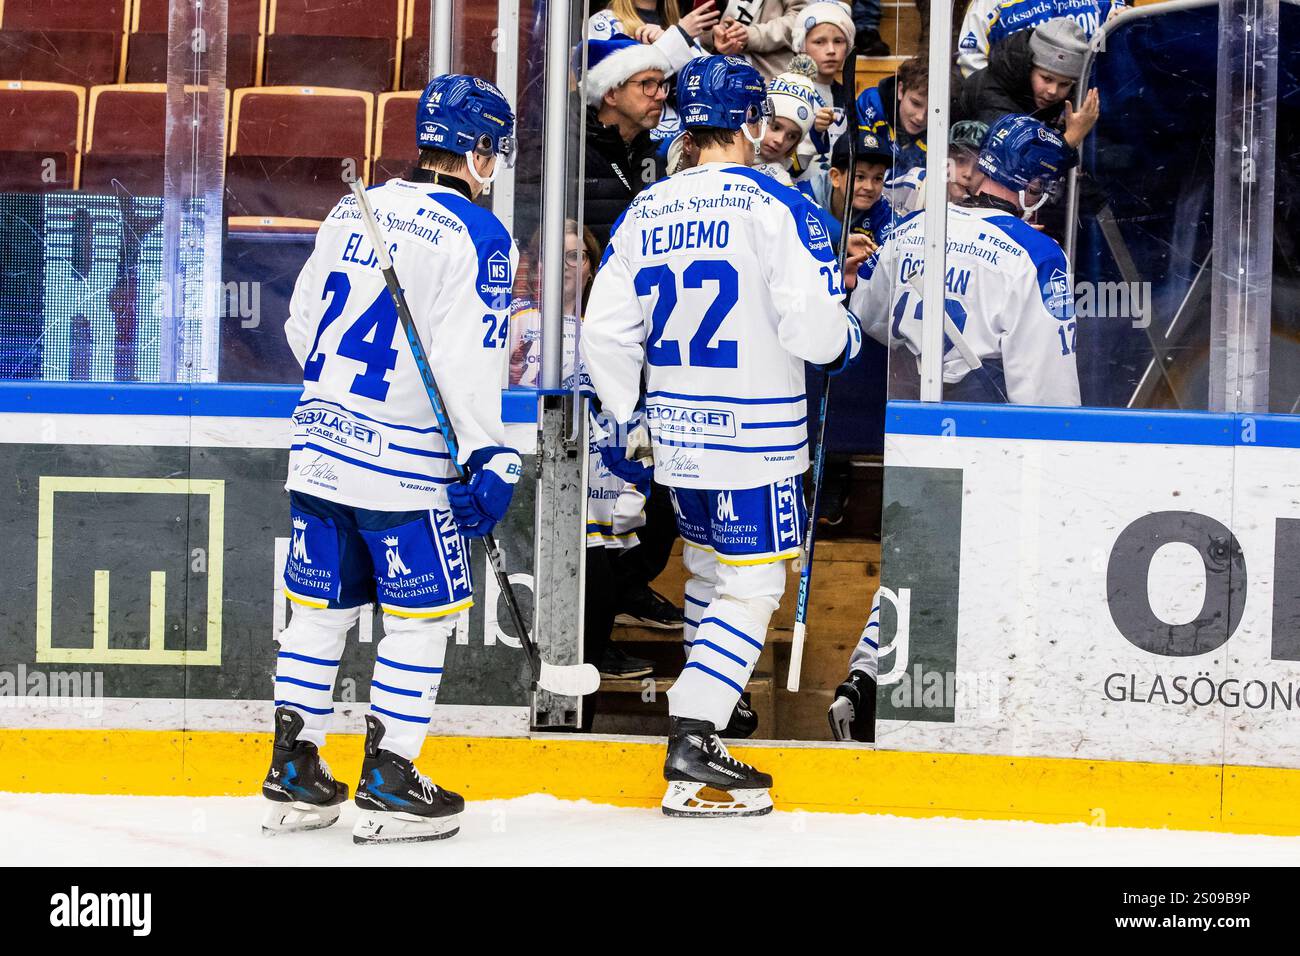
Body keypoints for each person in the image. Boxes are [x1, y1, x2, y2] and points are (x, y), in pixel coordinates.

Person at [581, 55, 862, 815]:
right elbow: (814, 331)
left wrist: (628, 416)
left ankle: (711, 725)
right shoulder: (778, 208)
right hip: (756, 440)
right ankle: (695, 733)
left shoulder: (646, 209)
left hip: (675, 437)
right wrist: (846, 339)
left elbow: (603, 335)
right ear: (748, 122)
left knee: (709, 575)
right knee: (753, 584)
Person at [262, 75, 523, 843]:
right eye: (495, 151)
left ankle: (293, 770)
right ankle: (389, 775)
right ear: (476, 150)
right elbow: (466, 364)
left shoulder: (355, 207)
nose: (495, 165)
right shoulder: (479, 235)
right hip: (403, 467)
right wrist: (490, 455)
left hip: (317, 447)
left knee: (318, 611)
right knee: (417, 621)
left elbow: (300, 325)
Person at [829, 113, 1080, 743]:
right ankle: (958, 704)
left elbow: (868, 318)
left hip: (911, 416)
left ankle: (866, 677)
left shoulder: (913, 228)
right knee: (986, 563)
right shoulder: (1037, 253)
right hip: (987, 424)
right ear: (1036, 186)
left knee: (916, 552)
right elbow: (1044, 386)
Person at [507, 221, 658, 684]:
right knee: (580, 581)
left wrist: (635, 466)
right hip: (537, 476)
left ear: (592, 268)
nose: (566, 267)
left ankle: (592, 655)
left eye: (576, 257)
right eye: (555, 256)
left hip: (596, 477)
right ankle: (583, 660)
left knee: (612, 568)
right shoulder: (518, 323)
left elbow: (623, 411)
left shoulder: (606, 334)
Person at [588, 1, 724, 156]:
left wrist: (676, 38)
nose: (660, 93)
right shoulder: (603, 22)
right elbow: (605, 81)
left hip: (682, 147)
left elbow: (710, 86)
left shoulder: (681, 24)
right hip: (630, 149)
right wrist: (677, 38)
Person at [958, 17, 1100, 150]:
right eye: (1047, 79)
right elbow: (1015, 158)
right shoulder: (992, 91)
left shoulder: (1043, 96)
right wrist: (1071, 138)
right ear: (1027, 67)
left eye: (1064, 84)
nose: (1053, 91)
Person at [793, 1, 856, 175]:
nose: (831, 50)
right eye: (819, 42)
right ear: (801, 45)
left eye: (838, 41)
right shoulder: (787, 91)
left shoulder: (848, 97)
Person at [856, 54, 928, 178]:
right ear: (901, 90)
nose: (920, 117)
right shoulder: (872, 104)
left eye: (931, 111)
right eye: (915, 103)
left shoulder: (943, 127)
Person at [705, 0, 810, 81]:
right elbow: (697, 25)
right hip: (715, 75)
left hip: (769, 79)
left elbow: (802, 17)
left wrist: (752, 35)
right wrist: (715, 36)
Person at [752, 69, 820, 184]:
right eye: (775, 127)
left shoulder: (781, 181)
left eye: (792, 136)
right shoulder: (721, 154)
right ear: (757, 119)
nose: (780, 140)